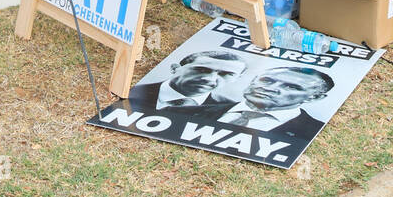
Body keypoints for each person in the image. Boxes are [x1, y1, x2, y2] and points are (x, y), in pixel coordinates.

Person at [212, 66, 333, 138]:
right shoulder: (196, 109)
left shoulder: (312, 131)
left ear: (314, 98)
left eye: (291, 87)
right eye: (266, 81)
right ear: (253, 81)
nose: (270, 88)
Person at [121, 50, 249, 113]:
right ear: (175, 68)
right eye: (201, 69)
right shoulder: (135, 92)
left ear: (237, 79)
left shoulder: (229, 109)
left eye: (226, 74)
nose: (209, 78)